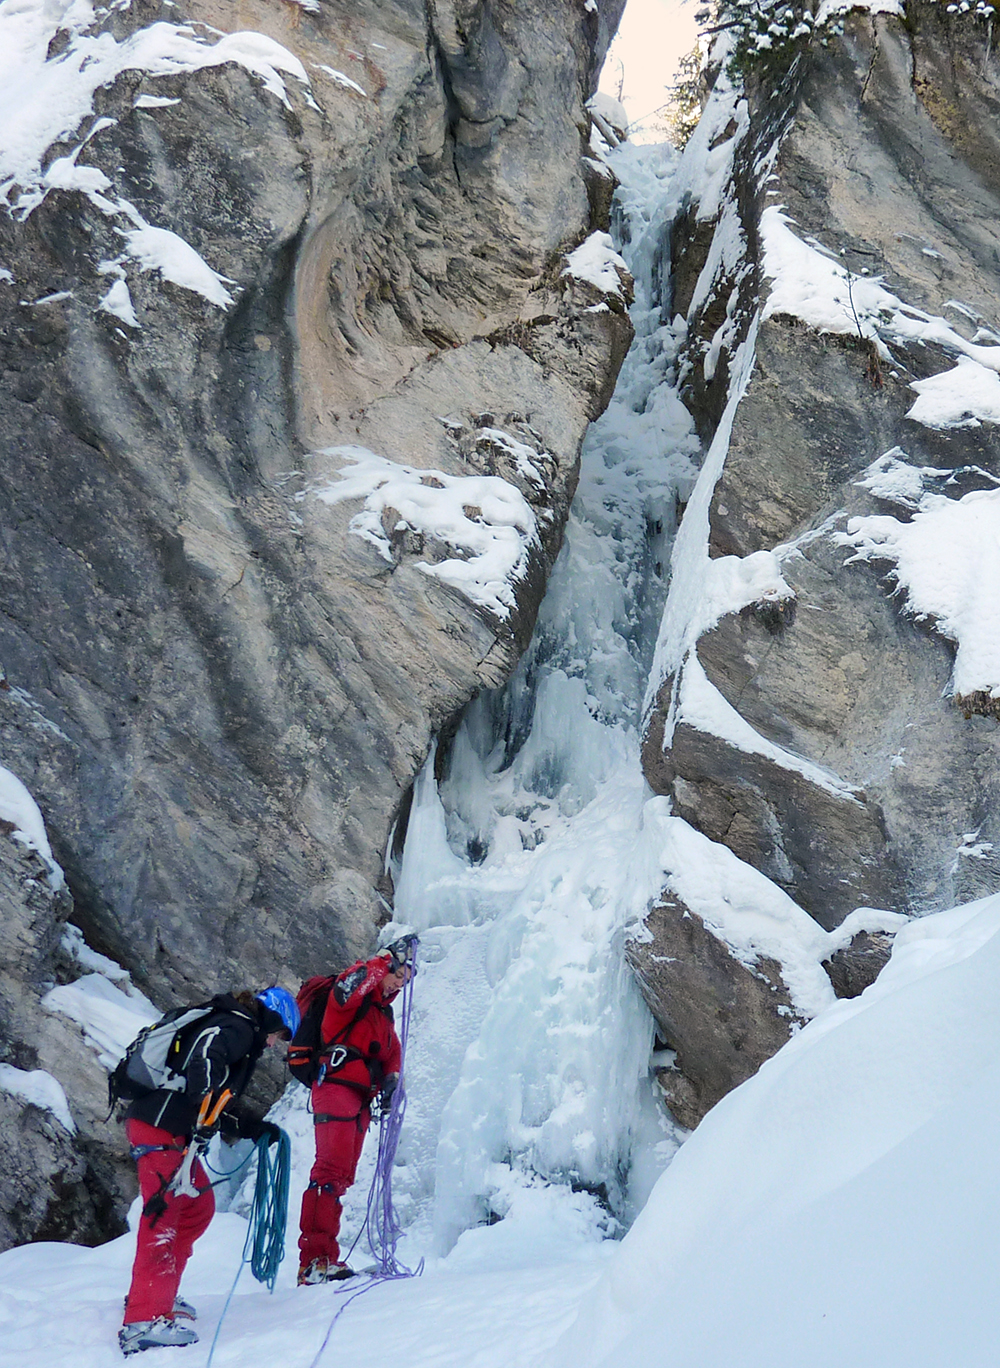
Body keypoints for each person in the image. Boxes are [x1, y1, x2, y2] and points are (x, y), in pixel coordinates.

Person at [119, 986, 299, 1357]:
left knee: (197, 1207)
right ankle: (142, 1320)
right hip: (160, 1129)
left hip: (171, 1130)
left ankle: (160, 1293)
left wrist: (253, 1128)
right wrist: (203, 1105)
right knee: (163, 1218)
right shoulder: (237, 1027)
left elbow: (217, 1100)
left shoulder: (237, 1027)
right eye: (281, 1034)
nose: (275, 1043)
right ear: (275, 1017)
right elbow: (206, 1056)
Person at [297, 941, 414, 1285]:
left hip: (360, 1097)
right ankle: (314, 1262)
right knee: (330, 1171)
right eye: (399, 977)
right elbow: (351, 985)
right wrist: (385, 960)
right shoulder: (349, 998)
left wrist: (392, 1080)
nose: (399, 985)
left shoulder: (381, 1015)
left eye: (405, 982)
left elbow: (392, 1051)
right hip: (335, 1088)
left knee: (341, 1176)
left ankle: (324, 1258)